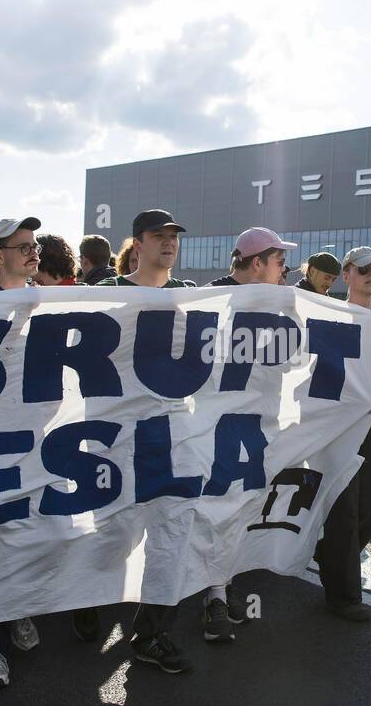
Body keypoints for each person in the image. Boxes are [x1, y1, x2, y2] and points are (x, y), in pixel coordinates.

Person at [90, 209, 194, 670]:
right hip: (115, 434)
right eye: (159, 236)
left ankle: (151, 633)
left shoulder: (191, 296)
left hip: (173, 433)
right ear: (138, 242)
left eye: (174, 236)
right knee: (114, 530)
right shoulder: (107, 293)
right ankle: (88, 600)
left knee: (172, 531)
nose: (169, 243)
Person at [195, 226, 296, 640]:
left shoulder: (277, 302)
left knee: (243, 506)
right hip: (218, 424)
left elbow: (287, 360)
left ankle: (221, 583)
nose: (284, 269)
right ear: (257, 263)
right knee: (216, 505)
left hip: (257, 419)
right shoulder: (208, 299)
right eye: (278, 261)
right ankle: (213, 594)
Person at [314, 247, 371, 622]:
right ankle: (343, 595)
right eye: (363, 269)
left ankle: (334, 556)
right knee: (344, 509)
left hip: (370, 425)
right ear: (347, 274)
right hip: (336, 426)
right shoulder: (327, 315)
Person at [206, 227, 295, 288]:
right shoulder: (209, 297)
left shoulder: (209, 293)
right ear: (257, 263)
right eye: (281, 262)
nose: (284, 268)